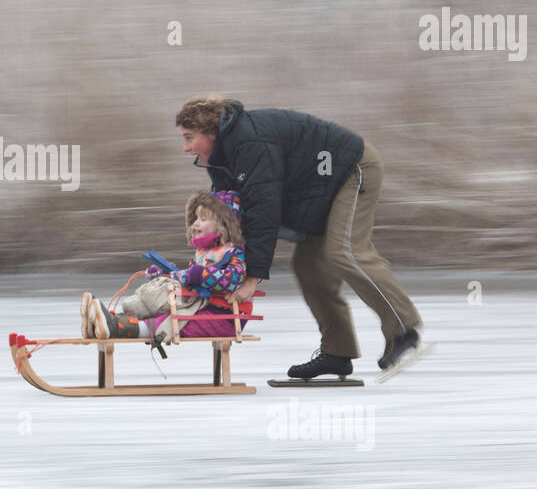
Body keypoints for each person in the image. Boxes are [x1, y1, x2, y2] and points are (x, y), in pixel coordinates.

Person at [174, 95, 423, 379]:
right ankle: (337, 352)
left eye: (189, 137)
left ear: (210, 131)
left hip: (351, 168)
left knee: (344, 251)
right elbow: (233, 219)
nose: (186, 148)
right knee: (309, 268)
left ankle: (404, 329)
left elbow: (263, 211)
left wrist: (252, 277)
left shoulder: (250, 144)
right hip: (318, 189)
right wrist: (216, 264)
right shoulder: (221, 160)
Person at [82, 190, 248, 342]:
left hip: (225, 316)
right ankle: (106, 323)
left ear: (222, 226)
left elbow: (233, 279)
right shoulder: (205, 253)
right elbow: (188, 278)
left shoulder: (233, 253)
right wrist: (165, 274)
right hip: (199, 306)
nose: (196, 224)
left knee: (169, 321)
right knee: (155, 309)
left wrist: (200, 274)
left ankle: (116, 328)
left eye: (203, 219)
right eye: (196, 218)